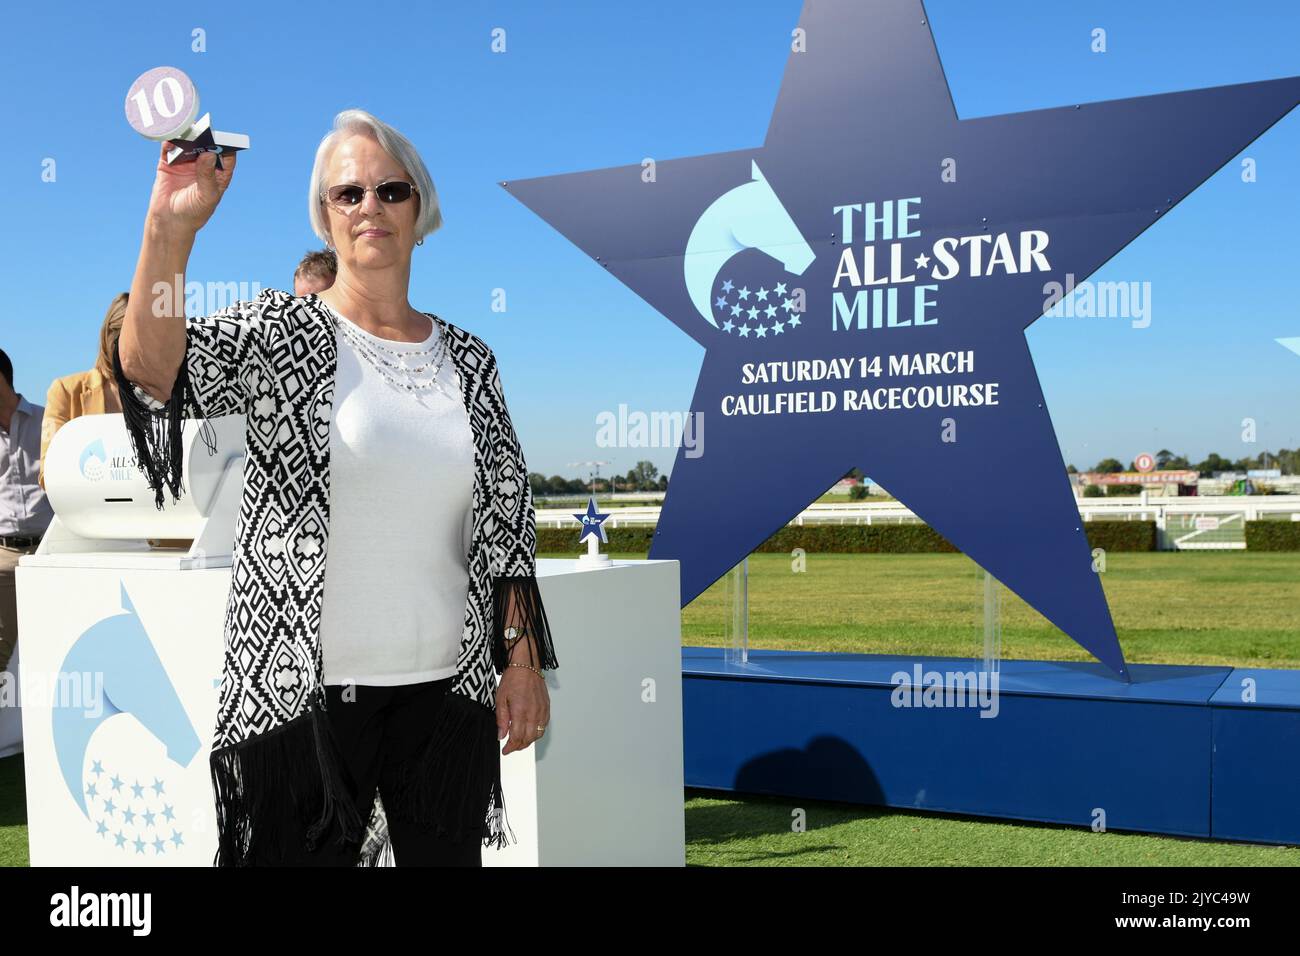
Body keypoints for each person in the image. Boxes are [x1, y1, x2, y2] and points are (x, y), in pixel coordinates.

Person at [114, 109, 557, 867]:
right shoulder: (283, 330)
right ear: (325, 218)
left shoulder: (472, 361)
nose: (370, 208)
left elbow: (506, 519)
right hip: (307, 706)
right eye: (347, 194)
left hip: (442, 700)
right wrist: (169, 229)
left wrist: (518, 659)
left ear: (421, 212)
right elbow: (155, 374)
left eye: (390, 190)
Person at [0, 348, 54, 673]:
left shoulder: (50, 420)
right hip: (4, 557)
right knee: (3, 652)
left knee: (55, 639)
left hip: (52, 551)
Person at [38, 292, 127, 490]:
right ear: (111, 338)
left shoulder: (163, 395)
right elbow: (48, 472)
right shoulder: (65, 391)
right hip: (87, 514)